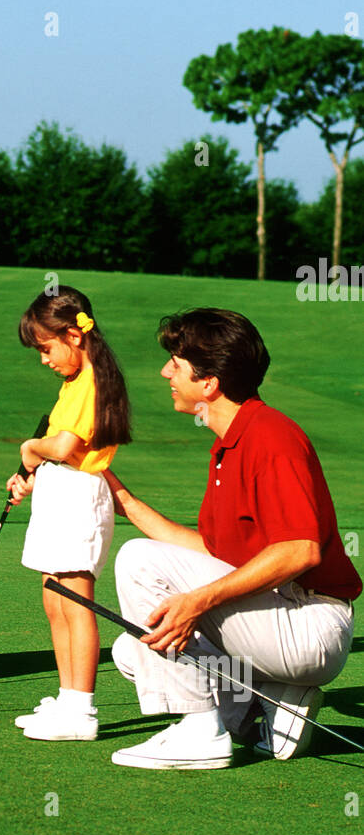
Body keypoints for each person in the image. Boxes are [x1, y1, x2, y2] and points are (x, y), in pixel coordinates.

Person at [105, 307, 361, 769]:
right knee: (133, 650)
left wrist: (198, 601)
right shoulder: (232, 442)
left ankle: (200, 730)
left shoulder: (271, 437)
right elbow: (211, 552)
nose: (166, 371)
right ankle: (270, 702)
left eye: (176, 364)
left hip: (309, 622)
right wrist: (117, 492)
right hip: (278, 621)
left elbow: (299, 550)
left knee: (138, 563)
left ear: (209, 384)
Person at [6, 287, 132, 741]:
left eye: (45, 348)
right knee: (54, 598)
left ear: (72, 336)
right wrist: (33, 476)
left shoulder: (92, 378)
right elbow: (63, 455)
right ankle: (67, 697)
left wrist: (28, 449)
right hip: (61, 491)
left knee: (76, 601)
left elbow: (60, 446)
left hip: (79, 498)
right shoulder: (74, 383)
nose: (43, 359)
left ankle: (81, 711)